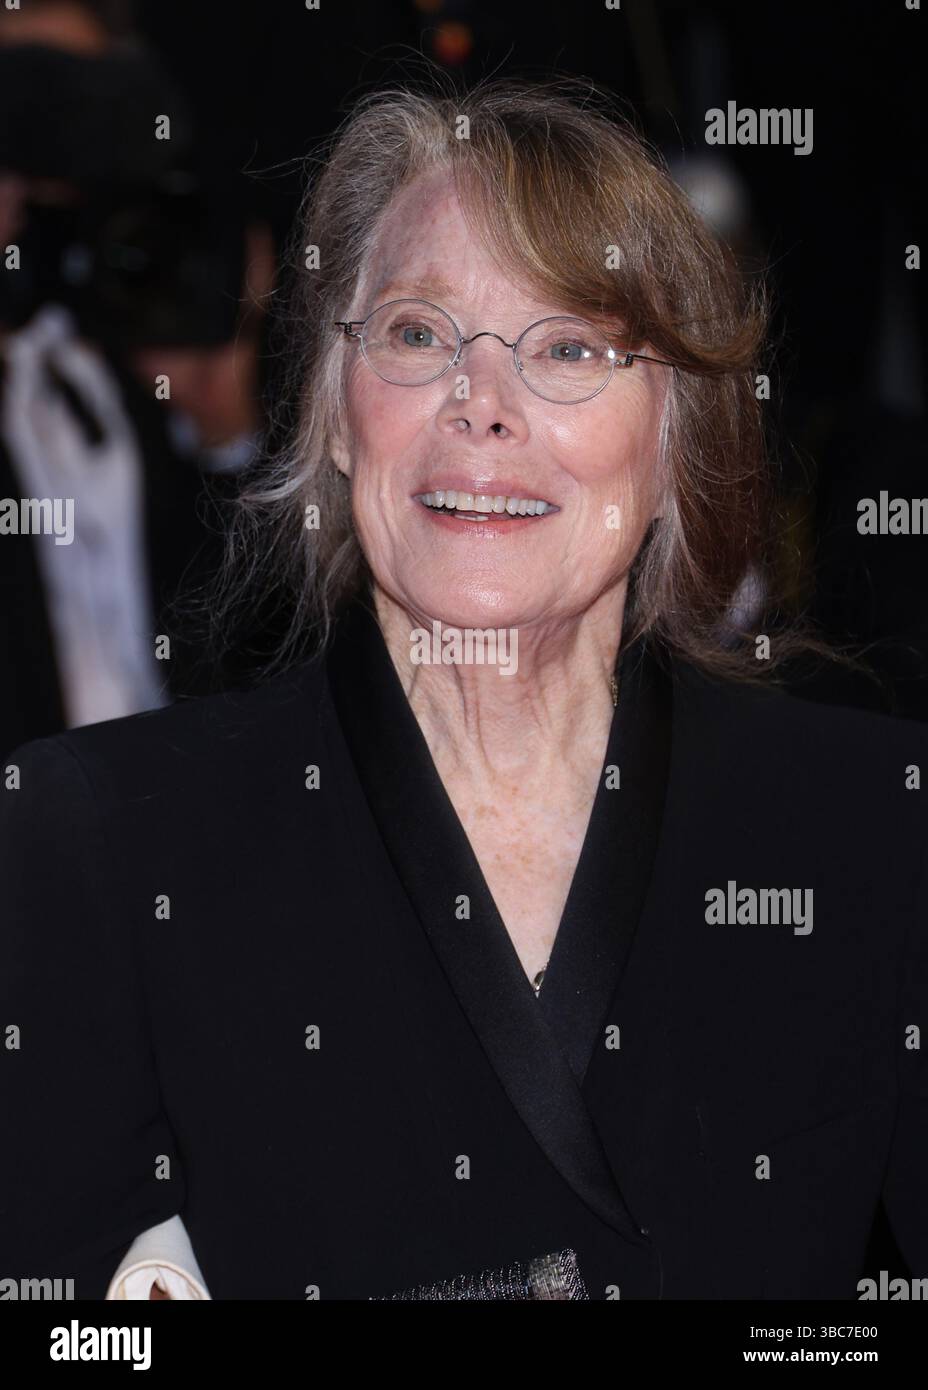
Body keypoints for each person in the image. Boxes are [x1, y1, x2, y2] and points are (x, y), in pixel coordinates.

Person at [1, 77, 925, 1302]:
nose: (480, 408)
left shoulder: (871, 823)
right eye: (419, 334)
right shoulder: (97, 839)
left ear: (676, 436)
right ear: (335, 411)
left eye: (569, 348)